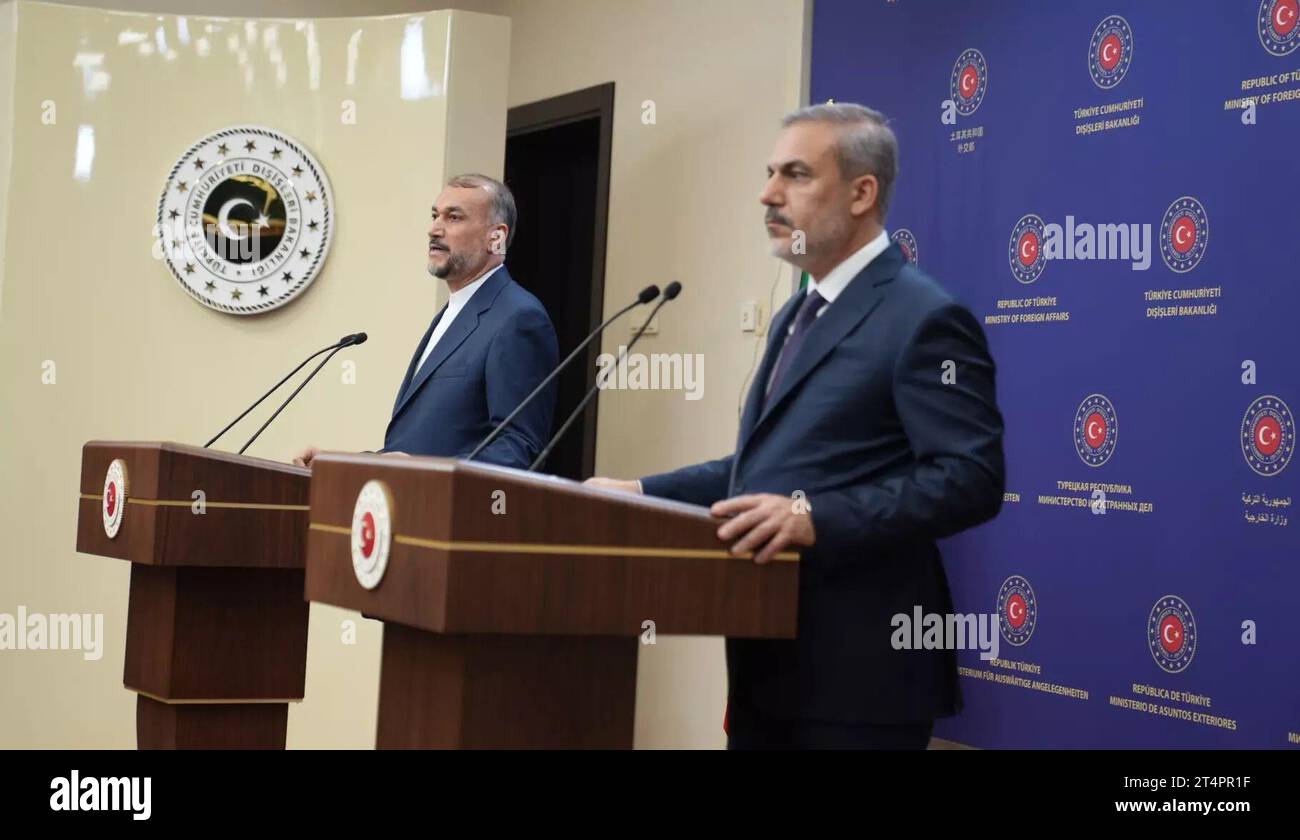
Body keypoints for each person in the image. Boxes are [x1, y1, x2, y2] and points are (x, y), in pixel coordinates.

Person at [587, 104, 1005, 749]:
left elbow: (970, 479)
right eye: (769, 173)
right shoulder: (797, 312)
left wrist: (817, 518)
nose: (768, 194)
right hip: (767, 663)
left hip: (860, 681)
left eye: (796, 175)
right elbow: (768, 473)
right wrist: (640, 493)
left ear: (863, 192)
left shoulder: (924, 317)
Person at [296, 174, 557, 468]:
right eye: (435, 216)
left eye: (454, 217)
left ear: (495, 237)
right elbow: (413, 450)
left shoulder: (518, 317)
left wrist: (421, 470)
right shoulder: (451, 313)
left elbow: (519, 448)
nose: (434, 229)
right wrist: (341, 464)